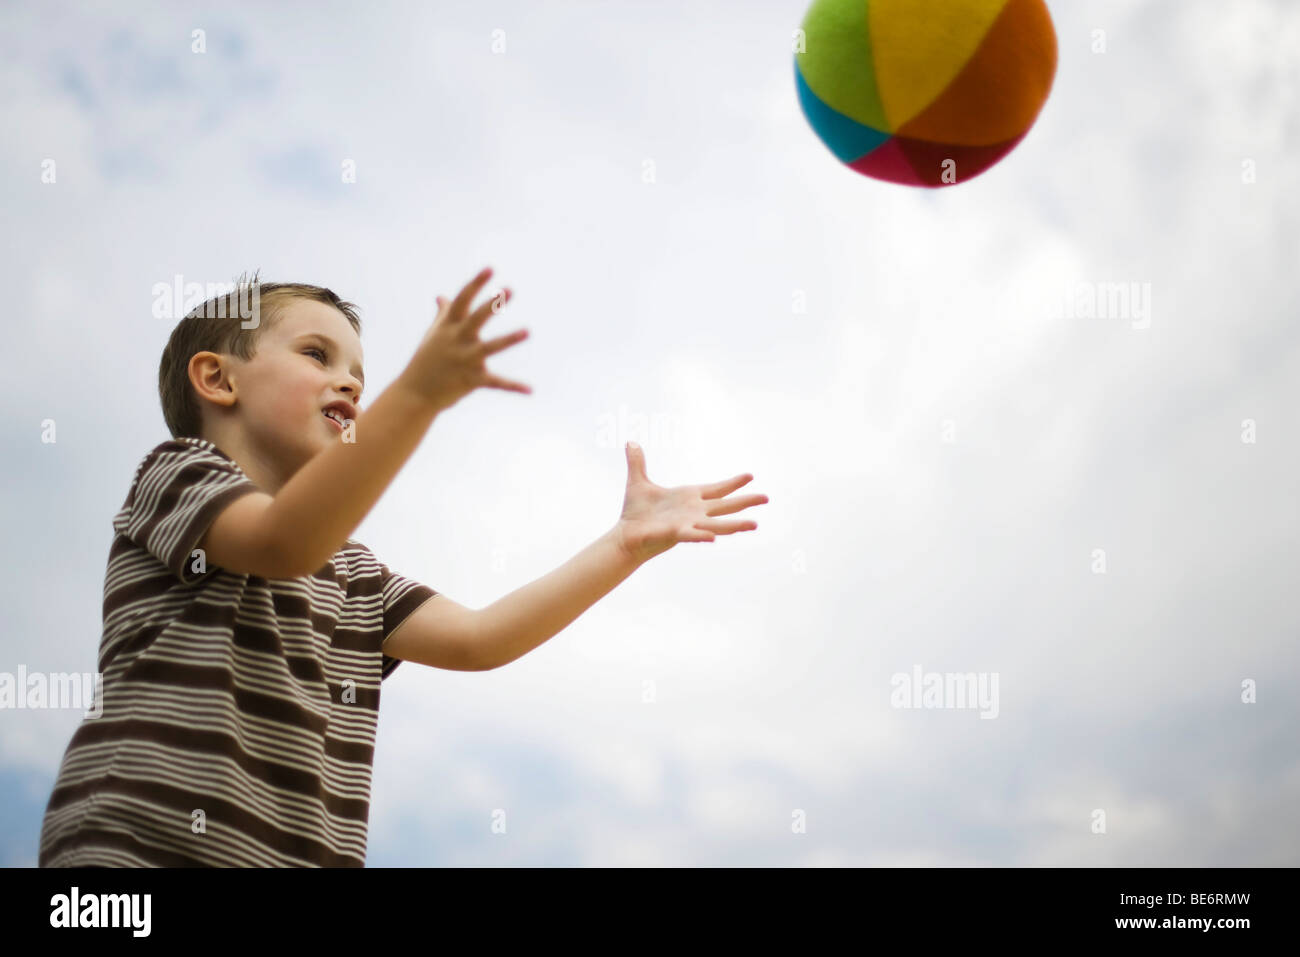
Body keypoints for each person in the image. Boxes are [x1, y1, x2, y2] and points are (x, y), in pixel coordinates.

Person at [38, 266, 767, 866]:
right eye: (318, 356)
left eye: (362, 372)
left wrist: (623, 544)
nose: (352, 384)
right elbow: (280, 542)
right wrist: (417, 394)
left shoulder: (353, 572)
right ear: (217, 379)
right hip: (134, 849)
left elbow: (482, 638)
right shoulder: (178, 474)